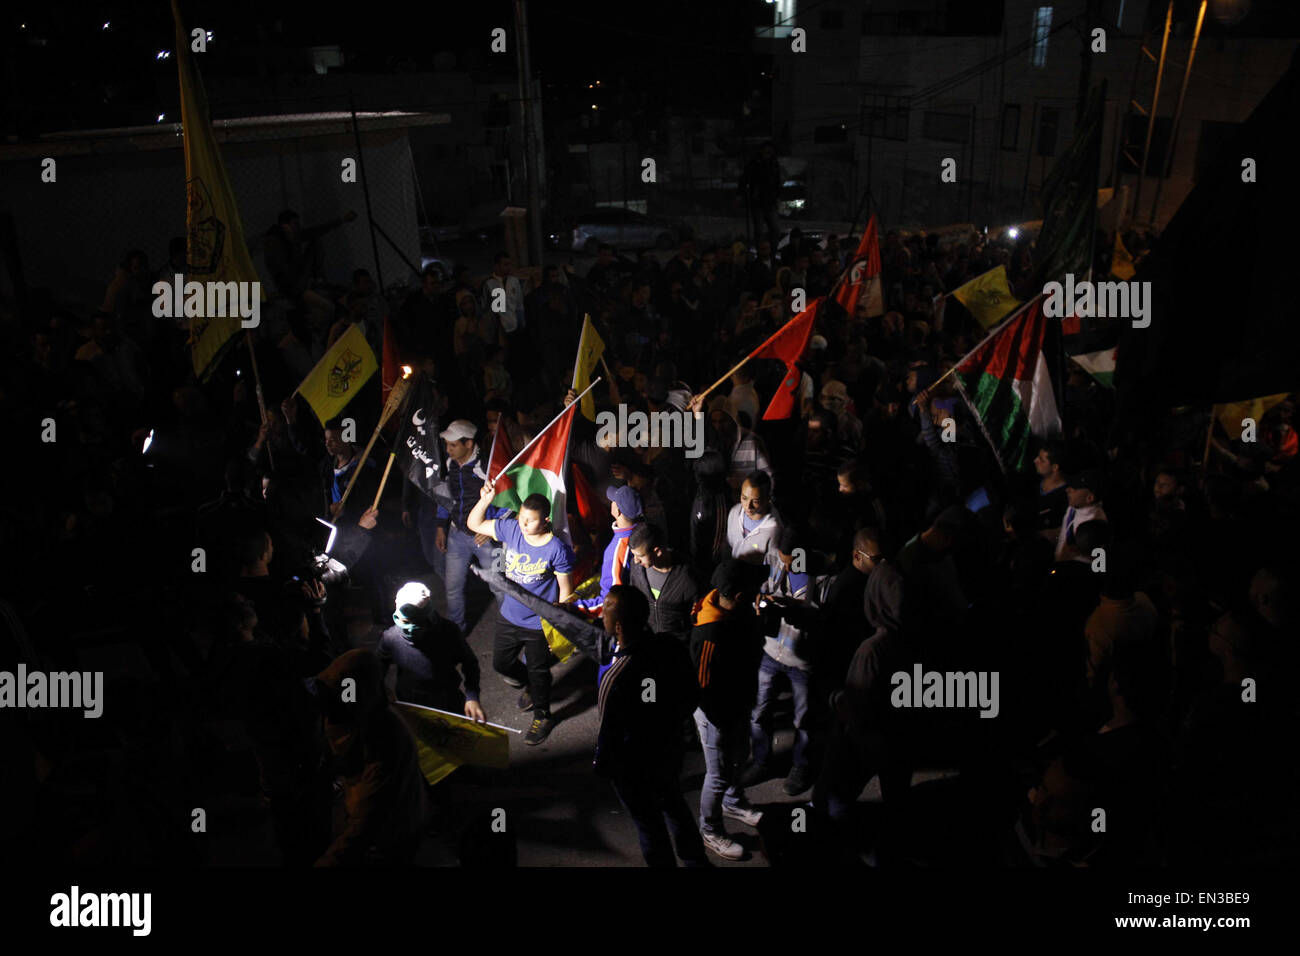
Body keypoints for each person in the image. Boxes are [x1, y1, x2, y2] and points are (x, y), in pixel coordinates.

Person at [594, 585, 707, 866]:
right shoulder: (670, 646)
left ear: (617, 626)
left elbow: (608, 735)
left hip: (633, 767)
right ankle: (696, 861)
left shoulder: (615, 675)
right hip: (668, 752)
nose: (602, 617)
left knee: (649, 825)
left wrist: (604, 766)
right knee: (675, 806)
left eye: (605, 611)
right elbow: (691, 694)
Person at [466, 482, 575, 745]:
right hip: (509, 614)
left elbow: (565, 591)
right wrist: (485, 499)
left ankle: (543, 715)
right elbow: (474, 524)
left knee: (538, 671)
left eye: (530, 521)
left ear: (546, 520)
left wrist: (559, 622)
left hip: (537, 623)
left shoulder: (556, 548)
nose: (524, 524)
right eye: (522, 517)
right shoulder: (512, 529)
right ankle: (534, 684)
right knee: (501, 664)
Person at [312, 649, 430, 866]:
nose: (328, 711)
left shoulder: (385, 737)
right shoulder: (347, 717)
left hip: (393, 832)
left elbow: (370, 814)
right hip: (371, 823)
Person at [690, 560, 765, 860]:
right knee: (717, 774)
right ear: (739, 597)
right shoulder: (709, 633)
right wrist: (724, 723)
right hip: (716, 716)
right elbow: (703, 690)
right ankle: (709, 829)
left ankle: (733, 802)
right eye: (753, 591)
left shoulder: (737, 610)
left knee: (737, 757)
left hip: (737, 705)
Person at [743, 525, 821, 795]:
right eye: (783, 558)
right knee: (759, 712)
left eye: (792, 561)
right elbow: (763, 586)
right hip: (770, 649)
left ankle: (801, 765)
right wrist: (760, 599)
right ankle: (762, 761)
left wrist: (799, 611)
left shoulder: (820, 576)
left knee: (804, 720)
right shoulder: (775, 558)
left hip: (802, 660)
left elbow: (826, 619)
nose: (786, 565)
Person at [430, 419, 504, 635]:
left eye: (453, 445)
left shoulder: (488, 467)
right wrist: (440, 526)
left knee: (500, 587)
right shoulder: (451, 464)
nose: (448, 449)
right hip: (456, 535)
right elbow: (447, 497)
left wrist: (491, 529)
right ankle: (457, 633)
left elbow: (507, 502)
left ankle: (511, 630)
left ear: (469, 444)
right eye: (447, 444)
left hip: (485, 540)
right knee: (452, 588)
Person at [376, 582, 487, 722]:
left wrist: (472, 697)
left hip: (447, 699)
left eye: (415, 622)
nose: (408, 628)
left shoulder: (448, 631)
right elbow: (377, 665)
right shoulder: (391, 638)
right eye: (405, 621)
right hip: (410, 702)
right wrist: (381, 688)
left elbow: (469, 663)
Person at [574, 484, 644, 617]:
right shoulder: (643, 532)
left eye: (613, 501)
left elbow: (610, 602)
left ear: (617, 511)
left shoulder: (619, 549)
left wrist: (575, 607)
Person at [628, 523, 700, 644]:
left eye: (639, 556)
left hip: (678, 647)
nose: (635, 560)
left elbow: (697, 620)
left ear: (657, 551)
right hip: (649, 642)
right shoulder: (637, 569)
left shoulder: (687, 578)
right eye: (633, 555)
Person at [726, 470, 783, 566]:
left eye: (755, 501)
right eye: (744, 498)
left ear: (767, 499)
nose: (748, 506)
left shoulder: (773, 529)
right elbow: (729, 546)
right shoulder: (735, 512)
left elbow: (773, 565)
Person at [1056, 469, 1109, 560]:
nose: (1068, 490)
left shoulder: (1096, 525)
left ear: (1089, 498)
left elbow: (1099, 564)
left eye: (1075, 489)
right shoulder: (1073, 508)